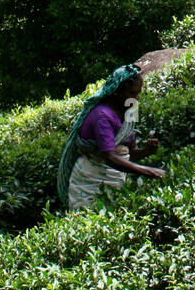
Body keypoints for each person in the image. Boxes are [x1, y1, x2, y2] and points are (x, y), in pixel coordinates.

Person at [57, 62, 165, 211]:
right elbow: (110, 157)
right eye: (132, 93)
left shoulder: (130, 108)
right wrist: (150, 171)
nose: (136, 98)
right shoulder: (102, 116)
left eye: (138, 93)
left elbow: (127, 154)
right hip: (90, 181)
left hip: (115, 180)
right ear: (117, 92)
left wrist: (145, 151)